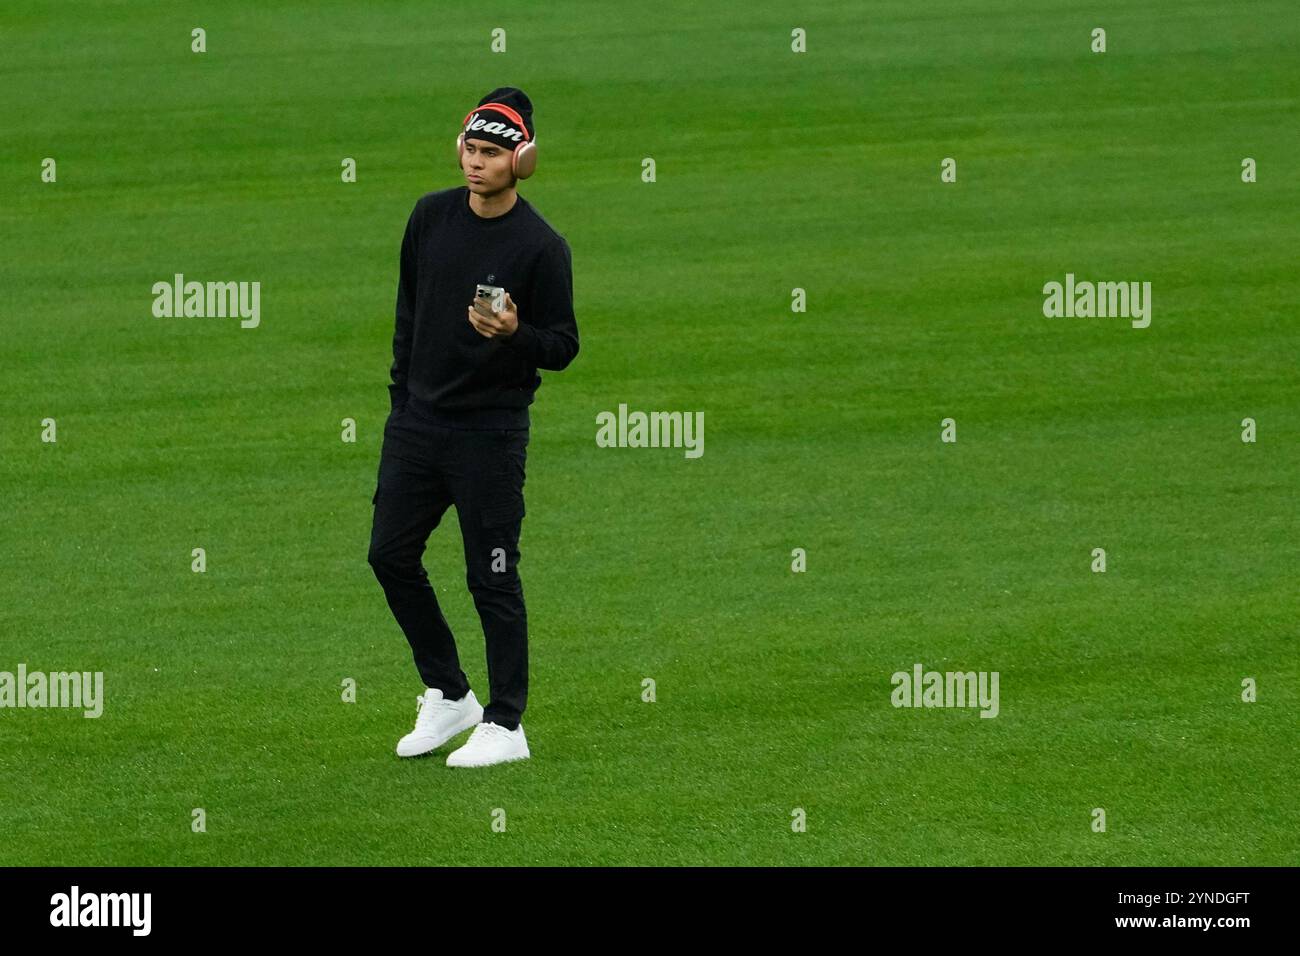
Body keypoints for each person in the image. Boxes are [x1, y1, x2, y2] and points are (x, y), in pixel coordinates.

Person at [367, 87, 579, 768]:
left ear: (523, 160)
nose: (476, 164)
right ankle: (448, 692)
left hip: (489, 436)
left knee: (491, 575)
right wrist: (402, 403)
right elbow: (409, 314)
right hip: (418, 426)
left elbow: (563, 346)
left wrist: (517, 333)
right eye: (470, 149)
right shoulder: (429, 219)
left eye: (491, 153)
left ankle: (507, 723)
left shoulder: (542, 246)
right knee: (389, 556)